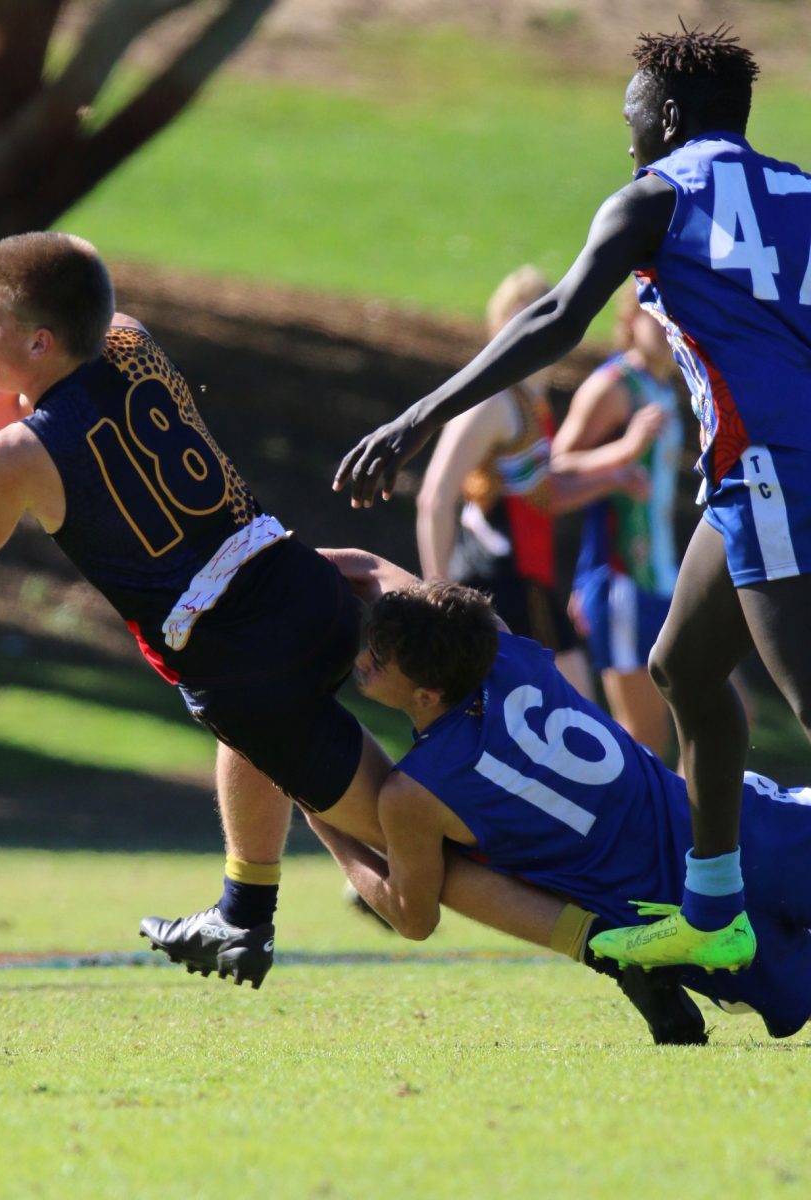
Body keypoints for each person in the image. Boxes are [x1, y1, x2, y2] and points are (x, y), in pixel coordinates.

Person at [0, 230, 573, 992]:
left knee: (414, 851)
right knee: (261, 748)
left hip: (244, 666)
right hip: (299, 587)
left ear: (39, 339)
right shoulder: (127, 337)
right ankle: (243, 916)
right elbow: (8, 399)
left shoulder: (13, 459)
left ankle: (598, 939)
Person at [335, 25, 811, 973]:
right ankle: (715, 914)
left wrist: (422, 413)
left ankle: (718, 909)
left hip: (773, 470)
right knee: (681, 668)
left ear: (667, 117)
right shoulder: (802, 187)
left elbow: (555, 316)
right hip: (749, 480)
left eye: (633, 112)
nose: (627, 132)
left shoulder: (655, 197)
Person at [309, 548, 811, 1041]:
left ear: (427, 696)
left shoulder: (414, 793)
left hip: (684, 918)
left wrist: (326, 823)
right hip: (742, 831)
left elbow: (412, 917)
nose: (360, 659)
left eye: (376, 660)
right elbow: (370, 565)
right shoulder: (501, 649)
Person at [416, 266, 648, 700]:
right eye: (517, 324)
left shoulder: (530, 404)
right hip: (496, 585)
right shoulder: (494, 402)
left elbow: (543, 494)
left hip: (530, 587)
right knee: (573, 717)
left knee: (568, 721)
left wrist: (612, 476)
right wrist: (438, 597)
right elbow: (434, 497)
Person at [551, 287, 682, 757]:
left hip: (665, 577)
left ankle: (697, 830)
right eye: (657, 318)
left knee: (723, 716)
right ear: (630, 320)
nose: (670, 329)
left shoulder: (666, 385)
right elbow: (557, 463)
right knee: (642, 738)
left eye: (677, 317)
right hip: (620, 579)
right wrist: (621, 456)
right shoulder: (613, 386)